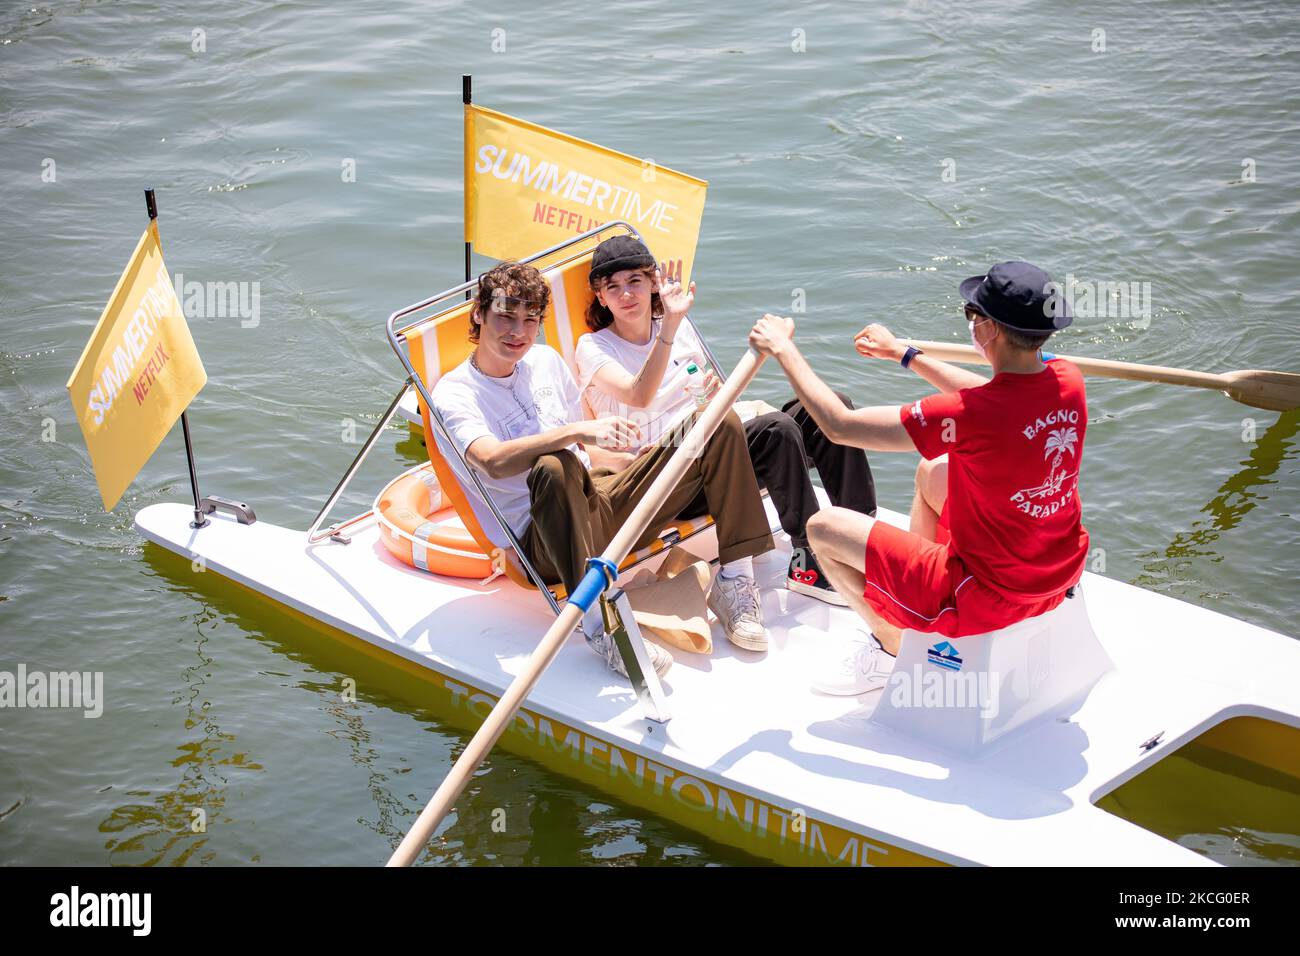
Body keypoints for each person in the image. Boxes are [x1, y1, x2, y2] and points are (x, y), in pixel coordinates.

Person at [746, 261, 1090, 695]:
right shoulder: (1067, 379)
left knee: (822, 528)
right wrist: (903, 354)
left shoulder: (969, 416)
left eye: (971, 315)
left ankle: (891, 644)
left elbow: (840, 425)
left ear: (988, 329)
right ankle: (916, 597)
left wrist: (782, 349)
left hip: (987, 596)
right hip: (1058, 571)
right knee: (934, 472)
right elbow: (991, 390)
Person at [429, 261, 776, 678]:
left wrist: (634, 461)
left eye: (529, 320)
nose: (517, 332)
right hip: (543, 540)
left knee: (715, 421)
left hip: (599, 502)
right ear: (479, 315)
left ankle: (734, 581)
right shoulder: (454, 392)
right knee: (553, 467)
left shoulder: (545, 360)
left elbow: (587, 453)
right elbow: (491, 459)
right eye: (505, 316)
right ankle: (602, 626)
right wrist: (579, 430)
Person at [574, 235, 878, 609]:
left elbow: (702, 396)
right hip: (663, 470)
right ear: (600, 297)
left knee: (826, 410)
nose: (626, 295)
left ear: (652, 283)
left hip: (713, 443)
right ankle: (808, 561)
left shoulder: (678, 330)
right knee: (776, 431)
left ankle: (864, 543)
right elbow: (639, 395)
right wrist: (669, 324)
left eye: (634, 281)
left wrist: (709, 392)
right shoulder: (595, 348)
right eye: (613, 287)